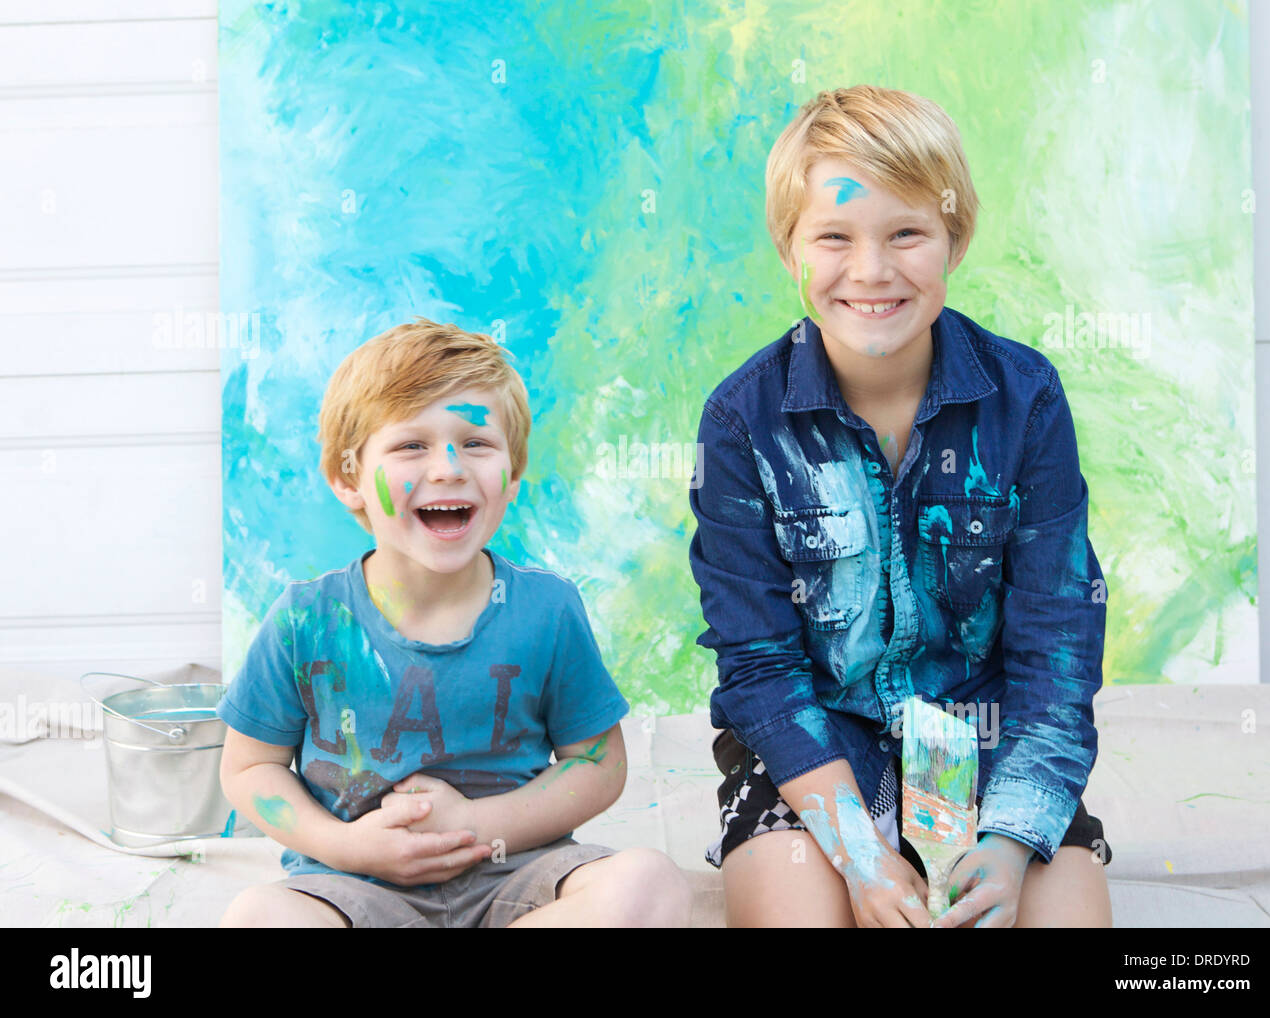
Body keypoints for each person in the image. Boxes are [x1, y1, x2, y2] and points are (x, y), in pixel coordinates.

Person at [688, 85, 1112, 928]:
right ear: (789, 249)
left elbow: (1057, 648)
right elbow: (761, 669)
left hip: (988, 747)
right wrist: (857, 850)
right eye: (834, 237)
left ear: (955, 238)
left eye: (907, 233)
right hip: (813, 755)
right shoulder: (740, 421)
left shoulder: (1026, 401)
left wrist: (1010, 836)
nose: (872, 271)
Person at [217, 318, 691, 927]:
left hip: (521, 879)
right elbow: (249, 768)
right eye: (411, 445)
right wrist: (347, 846)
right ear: (348, 479)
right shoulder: (305, 619)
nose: (447, 468)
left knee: (648, 884)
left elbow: (598, 764)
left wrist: (477, 826)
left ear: (512, 474)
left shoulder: (547, 611)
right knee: (256, 917)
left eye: (475, 443)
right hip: (354, 891)